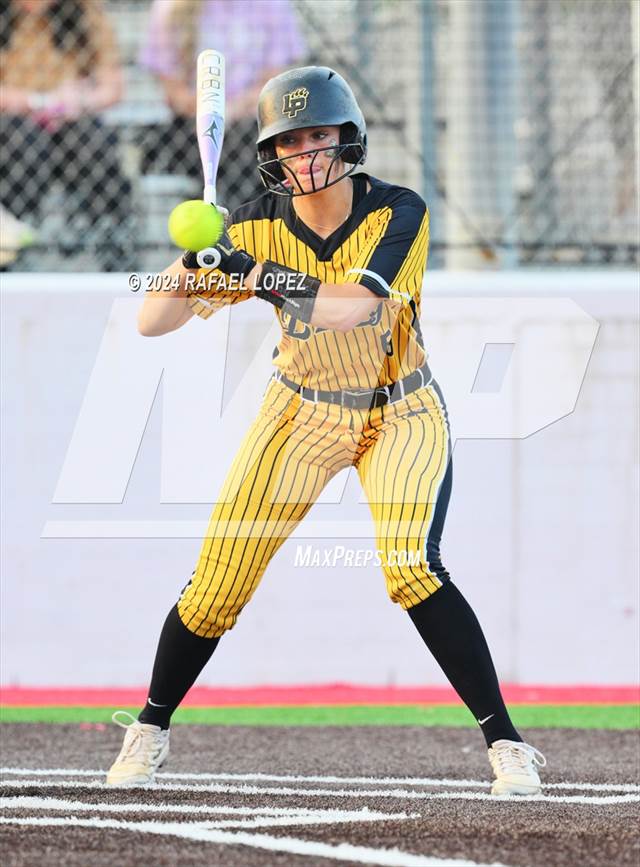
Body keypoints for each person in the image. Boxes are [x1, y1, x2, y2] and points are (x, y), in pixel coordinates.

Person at [106, 66, 547, 796]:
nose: (306, 153)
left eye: (319, 136)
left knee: (412, 567)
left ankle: (507, 744)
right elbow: (152, 320)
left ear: (349, 139)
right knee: (218, 582)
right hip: (300, 412)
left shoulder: (399, 210)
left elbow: (352, 308)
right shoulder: (248, 226)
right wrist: (192, 261)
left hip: (399, 409)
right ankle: (149, 727)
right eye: (290, 141)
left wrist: (256, 274)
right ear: (271, 155)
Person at [0, 0, 132, 270]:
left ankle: (110, 237)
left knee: (91, 142)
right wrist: (32, 101)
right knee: (23, 140)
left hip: (69, 121)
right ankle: (13, 241)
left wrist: (80, 99)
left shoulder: (85, 12)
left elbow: (112, 88)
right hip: (12, 124)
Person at [138, 0, 306, 204]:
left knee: (250, 145)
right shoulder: (171, 6)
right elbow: (174, 91)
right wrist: (210, 111)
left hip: (251, 123)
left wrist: (230, 110)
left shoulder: (271, 5)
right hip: (191, 123)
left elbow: (272, 83)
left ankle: (244, 215)